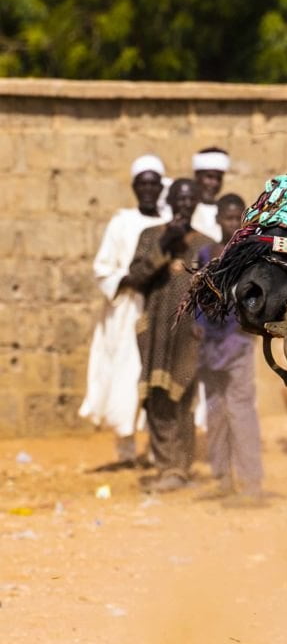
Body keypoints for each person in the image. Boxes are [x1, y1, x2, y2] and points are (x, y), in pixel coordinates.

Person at [79, 155, 173, 465]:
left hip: (162, 306)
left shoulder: (172, 222)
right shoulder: (121, 223)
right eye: (142, 184)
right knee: (125, 375)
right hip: (127, 311)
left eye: (153, 184)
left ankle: (160, 450)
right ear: (134, 187)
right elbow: (103, 269)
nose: (148, 189)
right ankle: (126, 450)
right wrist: (132, 279)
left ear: (161, 186)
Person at [125, 178, 212, 492]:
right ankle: (167, 467)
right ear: (171, 202)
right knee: (156, 398)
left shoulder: (205, 244)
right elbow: (135, 278)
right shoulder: (151, 236)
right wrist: (164, 247)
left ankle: (182, 467)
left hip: (190, 334)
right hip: (156, 333)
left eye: (191, 200)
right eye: (180, 199)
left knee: (183, 397)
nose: (185, 205)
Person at [196, 193, 266, 501]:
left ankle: (251, 483)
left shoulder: (248, 256)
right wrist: (199, 323)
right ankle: (222, 477)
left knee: (240, 410)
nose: (232, 223)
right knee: (215, 411)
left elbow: (255, 296)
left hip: (237, 343)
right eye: (226, 217)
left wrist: (246, 319)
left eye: (237, 217)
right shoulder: (206, 254)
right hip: (210, 346)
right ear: (217, 219)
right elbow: (198, 292)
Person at [189, 147, 230, 242]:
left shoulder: (224, 210)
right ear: (197, 176)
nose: (214, 183)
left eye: (218, 178)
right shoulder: (184, 208)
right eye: (209, 177)